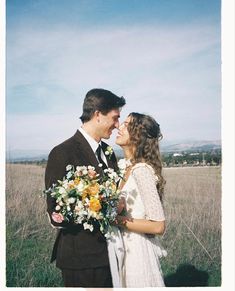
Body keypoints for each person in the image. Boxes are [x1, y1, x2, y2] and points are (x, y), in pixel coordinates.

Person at [45, 88, 126, 287]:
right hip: (81, 259)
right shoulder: (62, 152)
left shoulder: (108, 152)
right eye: (115, 118)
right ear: (98, 115)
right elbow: (55, 211)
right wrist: (97, 206)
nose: (117, 126)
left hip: (112, 253)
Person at [115, 112, 167, 287]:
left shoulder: (142, 170)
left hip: (136, 251)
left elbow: (158, 225)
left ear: (138, 135)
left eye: (126, 125)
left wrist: (115, 220)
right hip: (121, 247)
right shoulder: (125, 168)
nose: (118, 127)